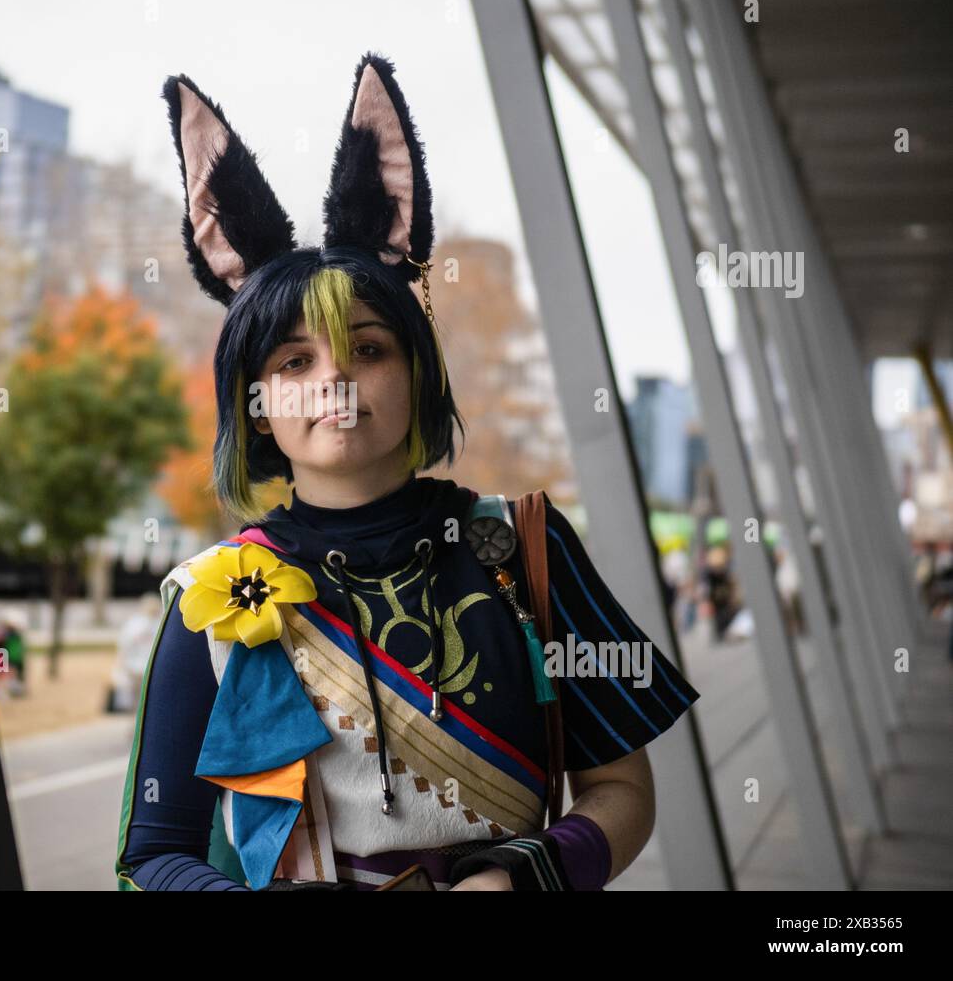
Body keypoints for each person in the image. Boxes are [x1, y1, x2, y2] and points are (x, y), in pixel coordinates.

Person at [114, 54, 701, 891]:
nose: (334, 380)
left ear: (417, 371)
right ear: (256, 404)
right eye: (293, 361)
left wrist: (516, 879)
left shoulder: (527, 545)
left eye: (369, 347)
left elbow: (620, 789)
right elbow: (152, 854)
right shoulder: (208, 597)